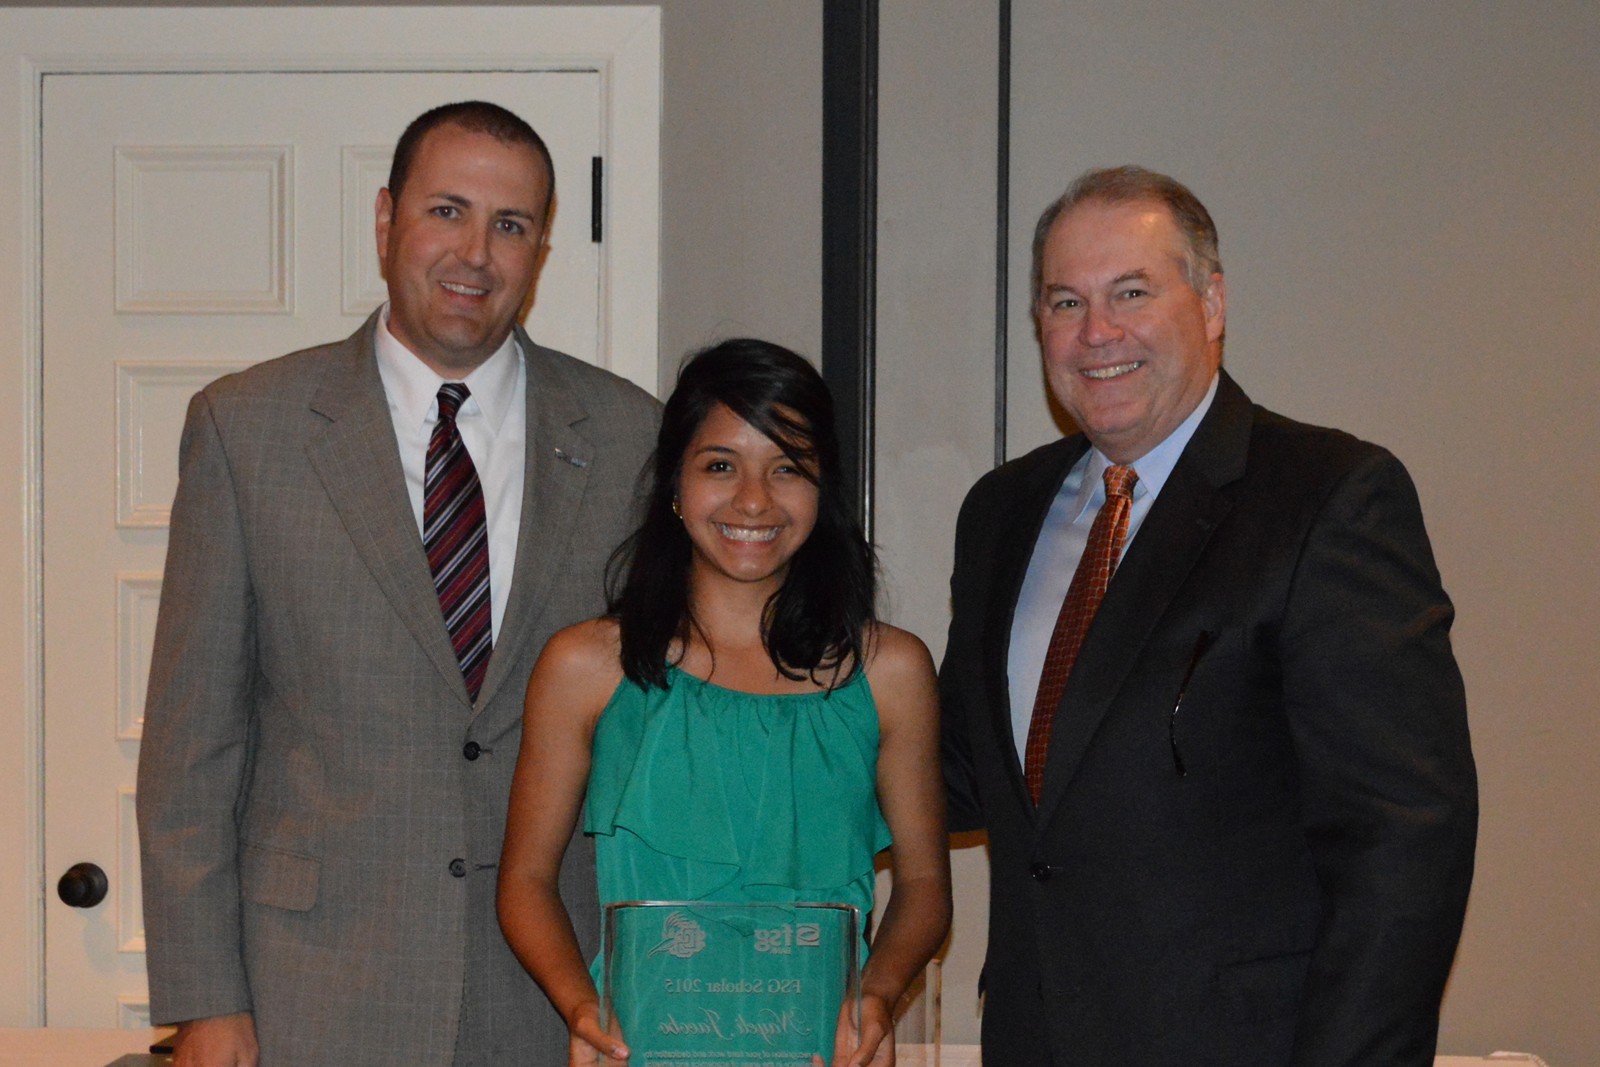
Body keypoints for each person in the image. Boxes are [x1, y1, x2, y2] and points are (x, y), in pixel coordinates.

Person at [136, 100, 660, 1067]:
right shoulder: (247, 429)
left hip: (562, 1002)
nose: (475, 253)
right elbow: (189, 751)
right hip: (315, 990)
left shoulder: (632, 437)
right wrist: (205, 999)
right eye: (446, 211)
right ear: (386, 222)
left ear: (540, 250)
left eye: (510, 226)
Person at [939, 166, 1477, 1065]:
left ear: (1213, 301)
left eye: (1132, 292)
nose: (1096, 332)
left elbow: (1403, 839)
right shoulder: (1001, 511)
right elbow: (957, 769)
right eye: (1065, 301)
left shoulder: (1327, 497)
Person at [496, 338, 952, 1067]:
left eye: (788, 468)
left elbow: (926, 886)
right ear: (675, 484)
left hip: (820, 1054)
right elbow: (523, 881)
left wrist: (875, 993)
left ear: (821, 488)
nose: (753, 499)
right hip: (642, 1050)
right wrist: (585, 1008)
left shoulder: (891, 670)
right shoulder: (586, 666)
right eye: (720, 465)